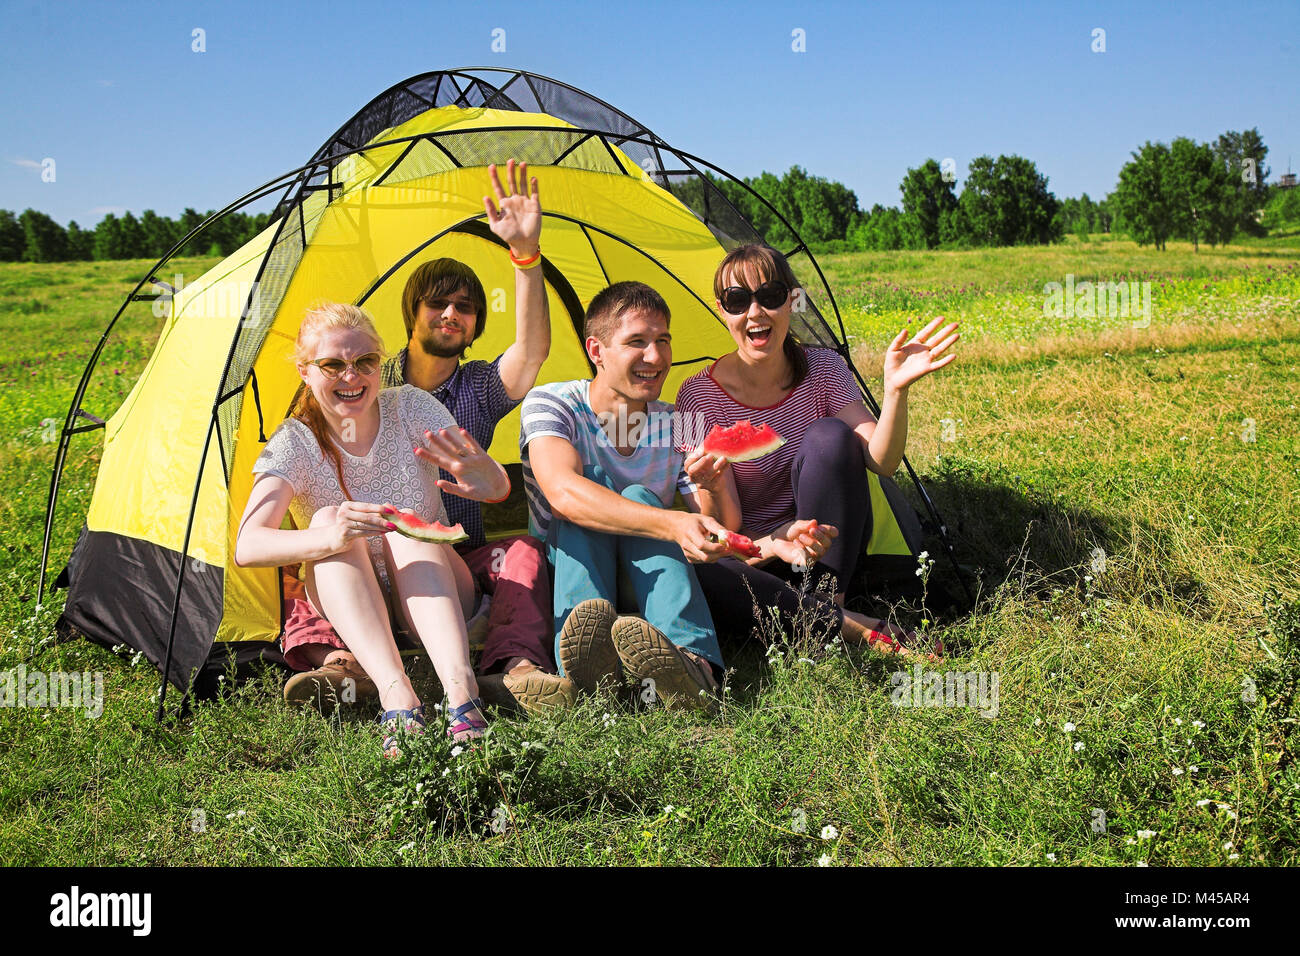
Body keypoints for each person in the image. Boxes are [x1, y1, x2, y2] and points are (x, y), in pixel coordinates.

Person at [281, 160, 572, 716]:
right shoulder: (363, 378)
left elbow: (532, 351)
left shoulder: (482, 387)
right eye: (437, 302)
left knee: (526, 553)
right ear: (411, 313)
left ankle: (512, 667)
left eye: (465, 307)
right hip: (357, 559)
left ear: (477, 325)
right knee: (305, 560)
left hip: (452, 556)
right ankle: (341, 665)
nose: (450, 314)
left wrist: (526, 256)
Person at [518, 281, 835, 710]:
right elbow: (563, 493)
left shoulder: (678, 422)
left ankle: (693, 669)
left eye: (663, 341)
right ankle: (587, 657)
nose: (656, 357)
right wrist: (672, 522)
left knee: (640, 497)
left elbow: (716, 525)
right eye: (637, 342)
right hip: (569, 568)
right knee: (602, 485)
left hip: (644, 573)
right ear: (596, 350)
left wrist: (717, 488)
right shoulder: (552, 401)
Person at [235, 302, 507, 754]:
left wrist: (490, 480)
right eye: (333, 365)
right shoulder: (295, 440)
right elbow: (248, 544)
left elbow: (494, 483)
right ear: (305, 371)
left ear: (380, 363)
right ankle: (396, 692)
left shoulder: (412, 408)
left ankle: (463, 695)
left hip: (435, 587)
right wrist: (331, 536)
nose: (351, 377)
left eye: (365, 362)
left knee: (403, 527)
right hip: (350, 609)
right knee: (327, 519)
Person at [675, 243, 959, 652]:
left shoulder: (823, 367)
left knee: (829, 436)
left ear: (792, 299)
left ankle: (827, 603)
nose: (755, 313)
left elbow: (882, 461)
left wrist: (895, 392)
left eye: (770, 296)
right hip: (760, 555)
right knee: (696, 567)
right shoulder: (697, 396)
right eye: (738, 301)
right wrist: (712, 487)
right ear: (721, 310)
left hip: (832, 550)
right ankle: (842, 626)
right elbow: (724, 530)